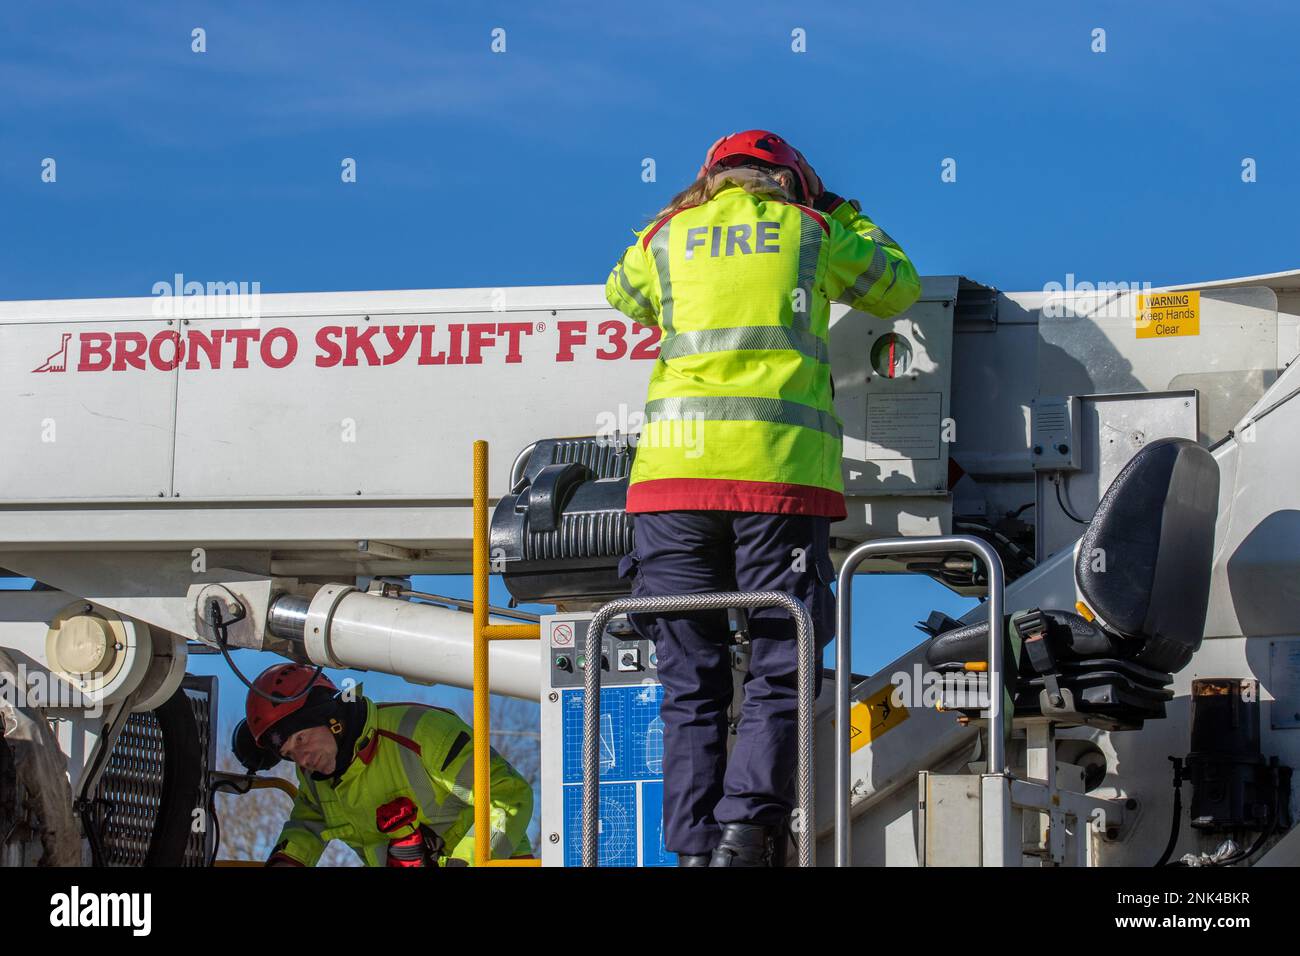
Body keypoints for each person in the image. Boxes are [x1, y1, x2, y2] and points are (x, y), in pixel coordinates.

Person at [604, 130, 921, 866]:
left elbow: (620, 293)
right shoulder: (813, 232)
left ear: (710, 178)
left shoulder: (665, 236)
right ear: (793, 182)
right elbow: (897, 283)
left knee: (689, 678)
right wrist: (848, 213)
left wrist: (679, 218)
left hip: (671, 488)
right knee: (783, 659)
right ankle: (746, 835)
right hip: (778, 481)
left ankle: (689, 849)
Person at [232, 663, 533, 867]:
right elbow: (308, 823)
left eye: (301, 740)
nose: (302, 759)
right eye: (289, 754)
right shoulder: (316, 774)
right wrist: (288, 860)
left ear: (330, 719)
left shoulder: (421, 731)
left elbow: (507, 796)